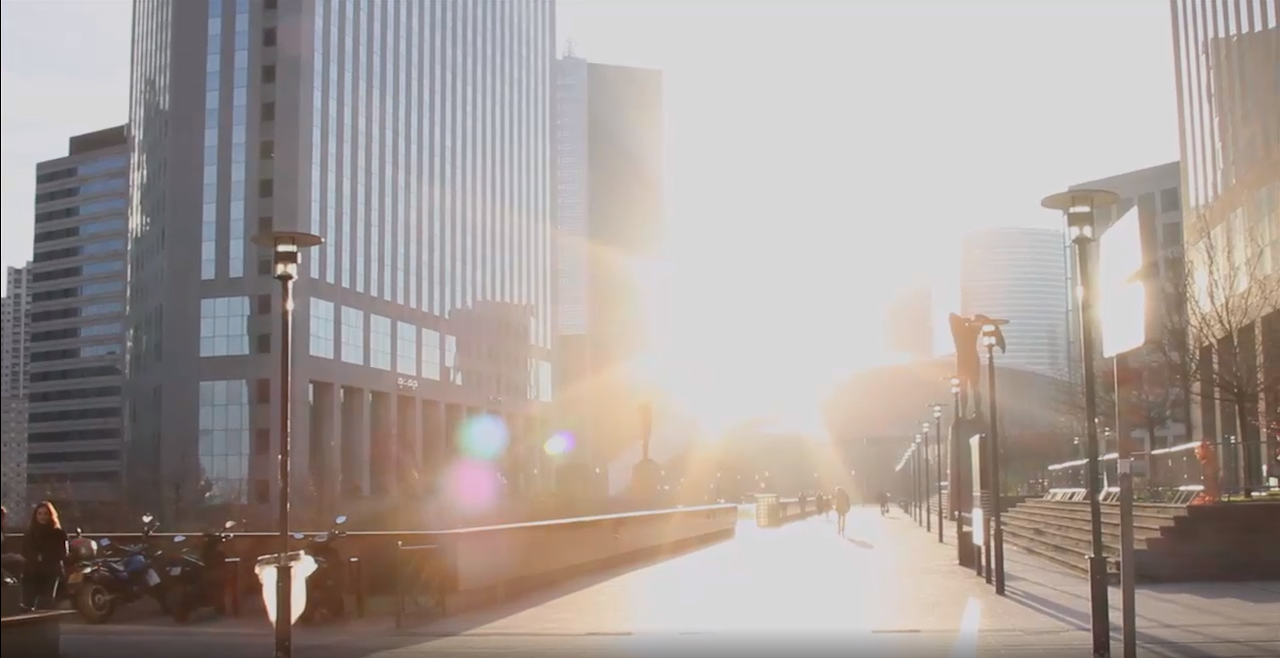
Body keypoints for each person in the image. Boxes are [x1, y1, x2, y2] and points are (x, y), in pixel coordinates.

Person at [22, 501, 68, 609]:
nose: (42, 517)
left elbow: (62, 553)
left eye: (45, 514)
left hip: (50, 571)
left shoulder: (58, 533)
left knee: (46, 601)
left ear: (50, 515)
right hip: (32, 572)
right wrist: (35, 558)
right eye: (39, 513)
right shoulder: (30, 533)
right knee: (28, 602)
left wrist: (44, 557)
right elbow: (25, 551)